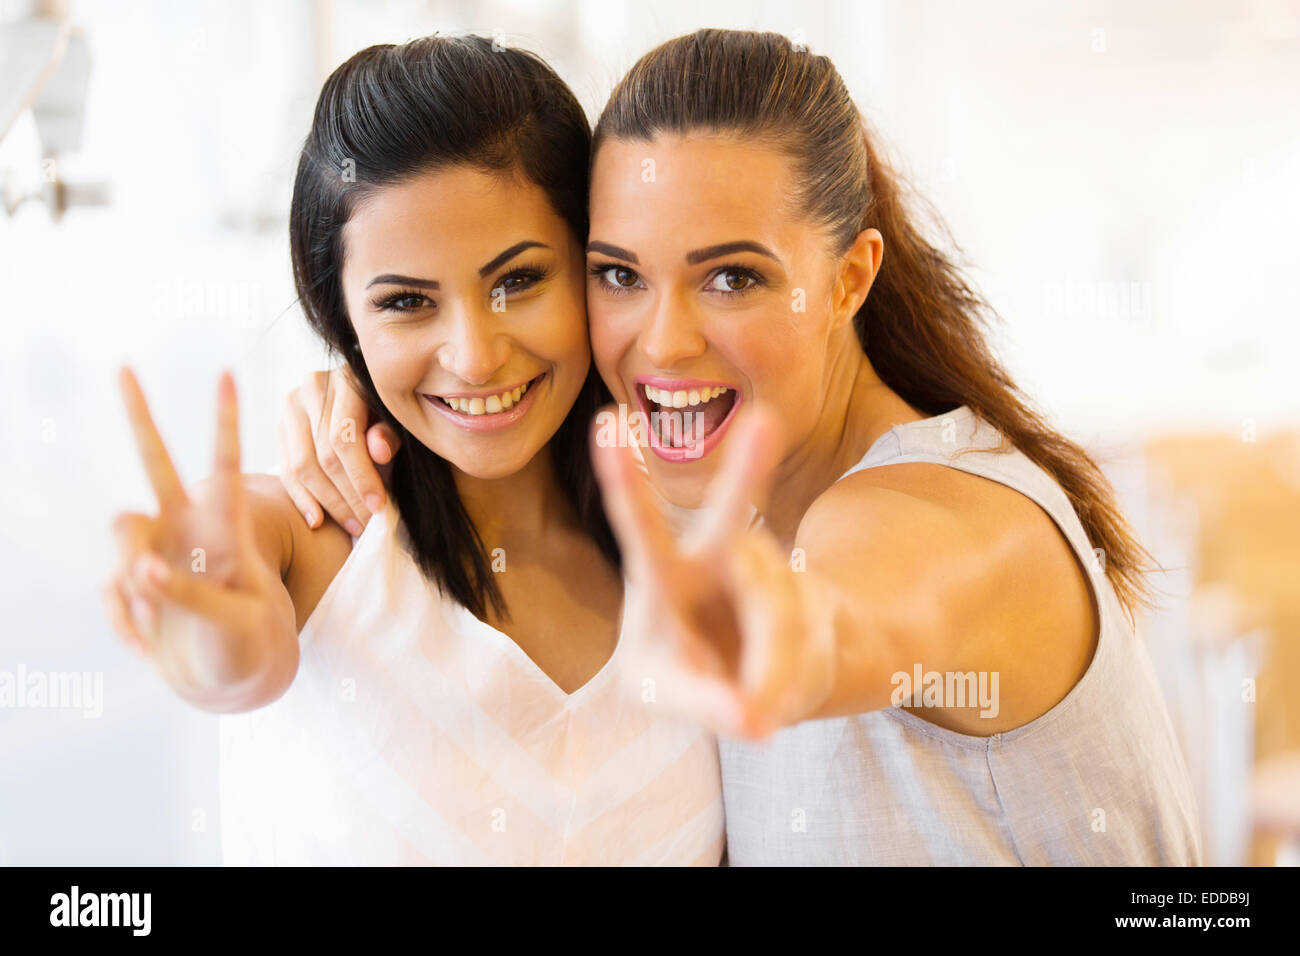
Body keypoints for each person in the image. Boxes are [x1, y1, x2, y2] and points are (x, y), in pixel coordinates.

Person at [291, 29, 1202, 865]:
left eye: (731, 277)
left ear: (849, 278)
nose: (664, 342)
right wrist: (365, 387)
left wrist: (788, 644)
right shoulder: (714, 489)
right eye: (619, 275)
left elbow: (856, 617)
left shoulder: (946, 516)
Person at [102, 35, 723, 866]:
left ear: (594, 264)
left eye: (518, 281)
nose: (473, 355)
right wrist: (202, 618)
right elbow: (237, 652)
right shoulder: (307, 533)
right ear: (343, 320)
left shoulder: (695, 539)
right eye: (405, 302)